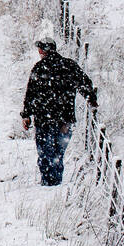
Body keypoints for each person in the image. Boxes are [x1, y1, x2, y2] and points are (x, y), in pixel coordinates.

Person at [20, 39, 97, 186]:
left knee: (45, 154)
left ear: (43, 51)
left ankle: (48, 182)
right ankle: (56, 181)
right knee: (58, 153)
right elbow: (84, 83)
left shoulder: (39, 68)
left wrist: (26, 115)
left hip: (44, 120)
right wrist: (91, 98)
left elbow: (31, 94)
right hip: (64, 120)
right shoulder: (69, 66)